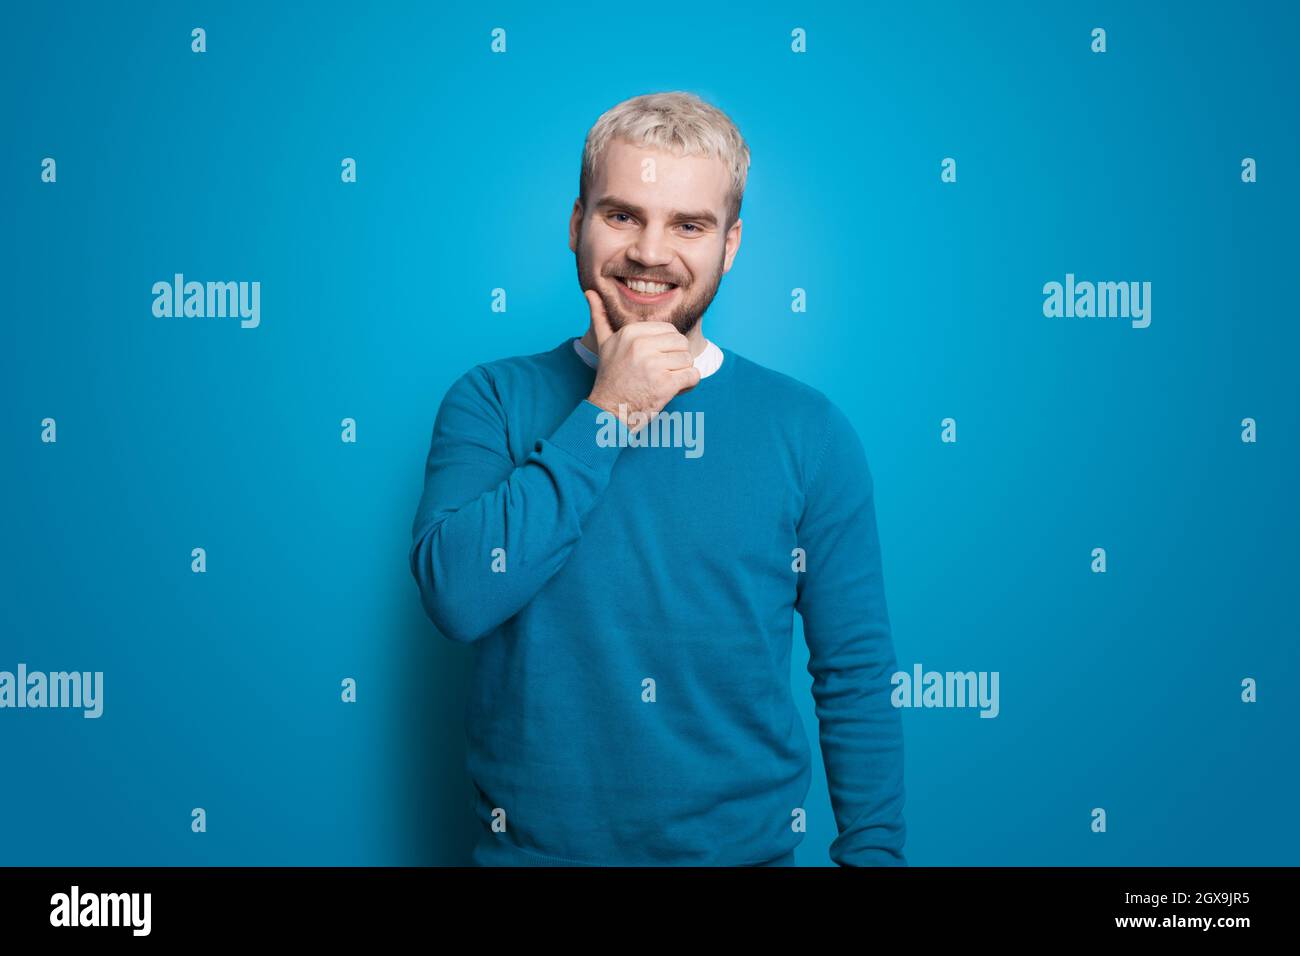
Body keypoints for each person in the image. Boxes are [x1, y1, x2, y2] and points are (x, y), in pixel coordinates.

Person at [409, 91, 906, 866]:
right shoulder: (491, 401)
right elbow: (458, 598)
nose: (650, 252)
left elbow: (855, 677)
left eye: (688, 225)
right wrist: (608, 412)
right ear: (577, 223)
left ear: (730, 243)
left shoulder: (809, 433)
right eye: (622, 215)